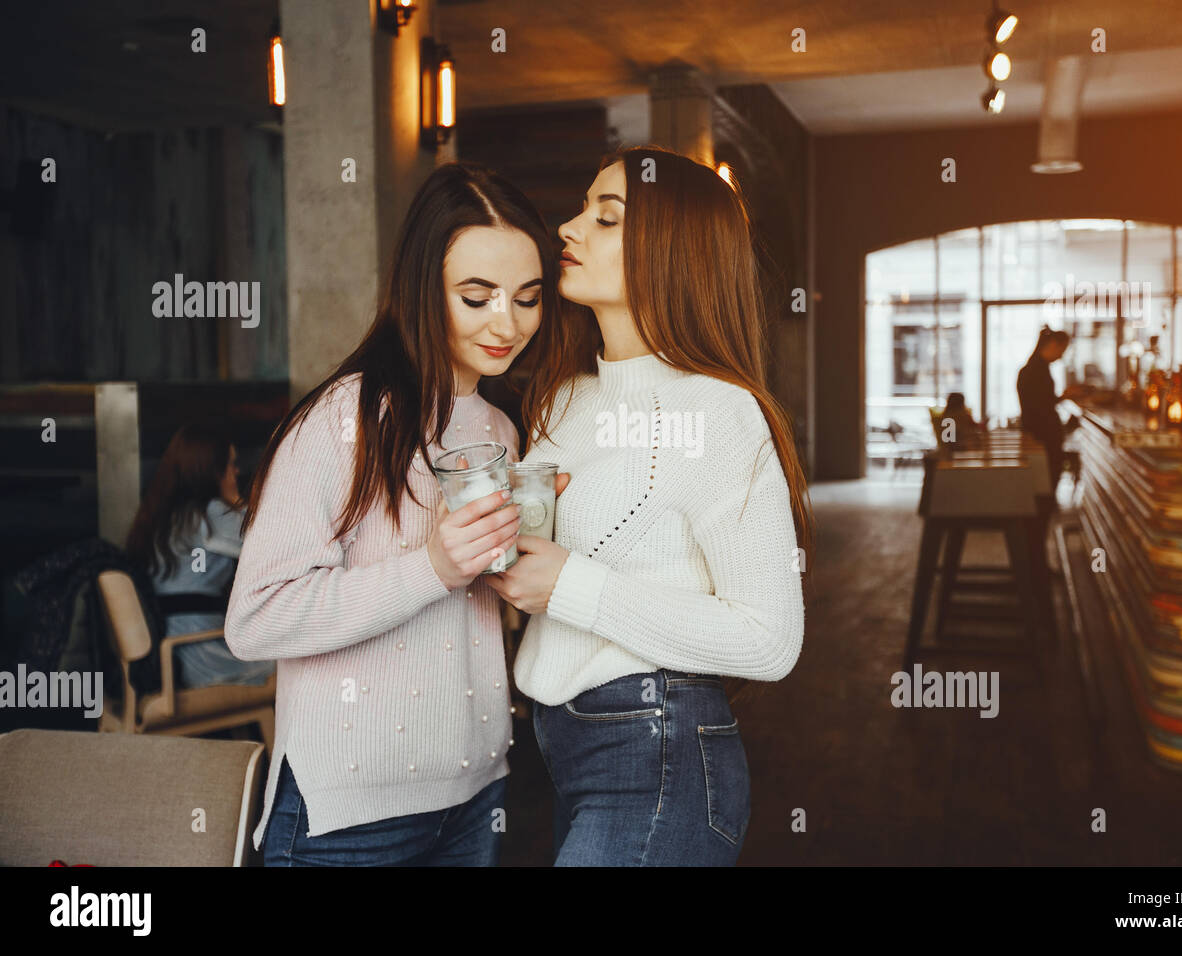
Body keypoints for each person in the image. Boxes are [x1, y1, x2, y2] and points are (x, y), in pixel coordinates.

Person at [223, 162, 565, 866]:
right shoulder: (343, 418)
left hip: (475, 796)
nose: (508, 323)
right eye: (477, 297)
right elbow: (255, 619)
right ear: (422, 287)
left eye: (527, 298)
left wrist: (524, 556)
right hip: (350, 814)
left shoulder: (500, 429)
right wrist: (433, 567)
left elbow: (476, 608)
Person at [485, 146, 809, 866]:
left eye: (605, 218)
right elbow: (538, 585)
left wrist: (570, 584)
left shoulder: (720, 412)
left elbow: (770, 639)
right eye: (581, 209)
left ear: (673, 252)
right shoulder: (563, 399)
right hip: (558, 750)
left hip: (659, 753)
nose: (567, 229)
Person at [125, 424, 274, 689]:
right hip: (200, 653)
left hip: (169, 653)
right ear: (211, 471)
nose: (236, 472)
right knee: (298, 663)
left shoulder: (162, 516)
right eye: (230, 464)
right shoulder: (210, 514)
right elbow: (274, 543)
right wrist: (238, 502)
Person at [1016, 327, 1086, 491]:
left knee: (1045, 482)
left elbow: (1041, 402)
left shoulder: (1033, 369)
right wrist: (1064, 396)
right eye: (1062, 349)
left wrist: (1063, 396)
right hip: (1043, 436)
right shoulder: (1036, 371)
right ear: (1053, 344)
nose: (1062, 355)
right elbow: (1042, 404)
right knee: (1047, 481)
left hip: (1039, 433)